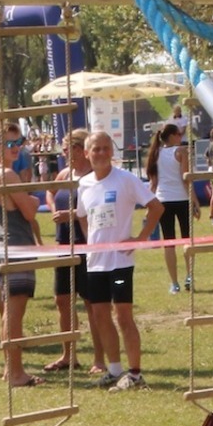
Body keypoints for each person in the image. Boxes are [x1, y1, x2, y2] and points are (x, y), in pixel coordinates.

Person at [78, 131, 163, 392]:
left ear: (111, 152)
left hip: (120, 263)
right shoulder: (83, 184)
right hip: (95, 262)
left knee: (123, 315)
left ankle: (135, 373)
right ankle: (114, 370)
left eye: (106, 148)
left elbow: (156, 207)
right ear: (87, 153)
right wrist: (89, 243)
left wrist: (139, 238)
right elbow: (83, 216)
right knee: (100, 314)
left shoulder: (125, 179)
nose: (102, 153)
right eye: (96, 149)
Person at [0, 122, 43, 388]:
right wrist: (34, 200)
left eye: (19, 142)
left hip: (2, 247)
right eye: (9, 143)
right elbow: (29, 212)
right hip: (14, 246)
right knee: (14, 312)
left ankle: (11, 370)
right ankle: (16, 373)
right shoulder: (7, 174)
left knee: (9, 310)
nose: (16, 148)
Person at [44, 131, 90, 373]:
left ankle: (100, 359)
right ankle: (68, 355)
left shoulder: (92, 175)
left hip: (87, 244)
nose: (63, 154)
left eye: (66, 148)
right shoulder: (64, 174)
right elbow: (50, 192)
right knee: (62, 299)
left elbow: (95, 208)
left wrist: (69, 215)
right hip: (63, 243)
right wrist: (53, 208)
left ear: (82, 149)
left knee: (92, 303)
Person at [144, 121, 192, 293]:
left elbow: (153, 183)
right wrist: (193, 200)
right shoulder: (181, 151)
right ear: (172, 136)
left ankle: (174, 283)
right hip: (181, 198)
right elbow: (185, 178)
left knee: (169, 242)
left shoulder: (155, 153)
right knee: (187, 240)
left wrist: (149, 205)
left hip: (163, 199)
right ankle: (189, 276)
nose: (181, 137)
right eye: (179, 134)